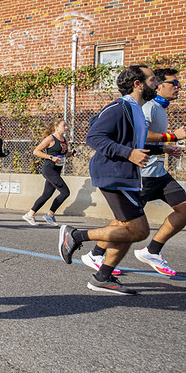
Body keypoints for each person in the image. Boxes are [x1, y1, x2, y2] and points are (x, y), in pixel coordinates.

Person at [57, 64, 176, 295]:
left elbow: (135, 145)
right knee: (139, 231)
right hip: (113, 174)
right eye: (152, 80)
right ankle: (75, 235)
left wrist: (163, 149)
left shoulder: (136, 111)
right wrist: (128, 154)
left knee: (128, 228)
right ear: (137, 84)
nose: (157, 84)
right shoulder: (120, 107)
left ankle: (103, 276)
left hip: (125, 176)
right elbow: (94, 137)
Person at [132, 68, 186, 276]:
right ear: (159, 86)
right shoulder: (150, 107)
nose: (178, 87)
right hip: (144, 174)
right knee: (126, 221)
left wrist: (166, 148)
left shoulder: (161, 108)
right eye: (174, 83)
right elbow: (140, 136)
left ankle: (152, 251)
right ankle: (97, 252)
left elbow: (156, 139)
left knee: (184, 210)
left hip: (159, 174)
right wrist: (172, 137)